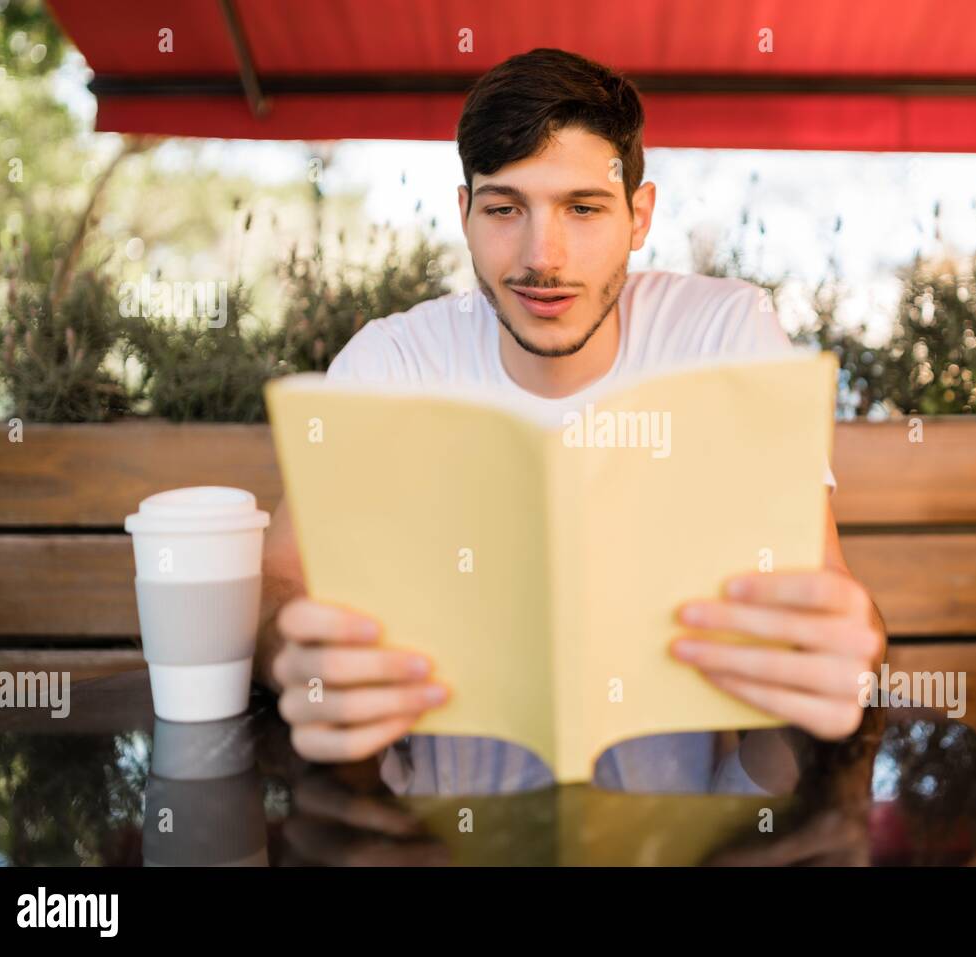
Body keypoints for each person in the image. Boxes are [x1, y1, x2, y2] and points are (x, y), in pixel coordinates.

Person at [254, 48, 886, 793]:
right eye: (503, 208)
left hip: (678, 820)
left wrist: (852, 645)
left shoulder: (723, 334)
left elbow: (823, 580)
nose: (540, 257)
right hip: (440, 820)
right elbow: (280, 579)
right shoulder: (394, 360)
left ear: (638, 215)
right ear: (465, 215)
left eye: (583, 208)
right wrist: (290, 651)